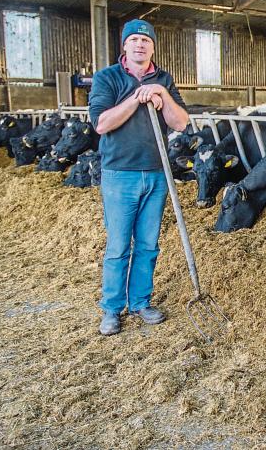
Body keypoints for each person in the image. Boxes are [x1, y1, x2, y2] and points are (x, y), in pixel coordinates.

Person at [89, 19, 189, 336]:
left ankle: (140, 302)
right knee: (119, 245)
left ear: (153, 47)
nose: (140, 44)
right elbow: (102, 124)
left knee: (148, 245)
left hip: (157, 173)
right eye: (133, 39)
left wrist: (160, 92)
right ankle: (111, 309)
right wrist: (138, 97)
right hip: (120, 174)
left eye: (145, 40)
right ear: (124, 45)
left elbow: (181, 123)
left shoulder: (163, 78)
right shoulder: (107, 78)